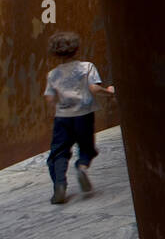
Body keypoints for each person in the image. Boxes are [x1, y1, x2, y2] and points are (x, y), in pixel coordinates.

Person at [43, 31, 115, 204]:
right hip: (84, 115)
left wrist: (59, 105)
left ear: (54, 52)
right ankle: (82, 167)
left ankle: (59, 184)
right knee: (86, 147)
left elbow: (50, 98)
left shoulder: (52, 74)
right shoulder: (87, 67)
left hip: (63, 117)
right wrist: (110, 92)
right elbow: (94, 89)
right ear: (76, 48)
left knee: (59, 152)